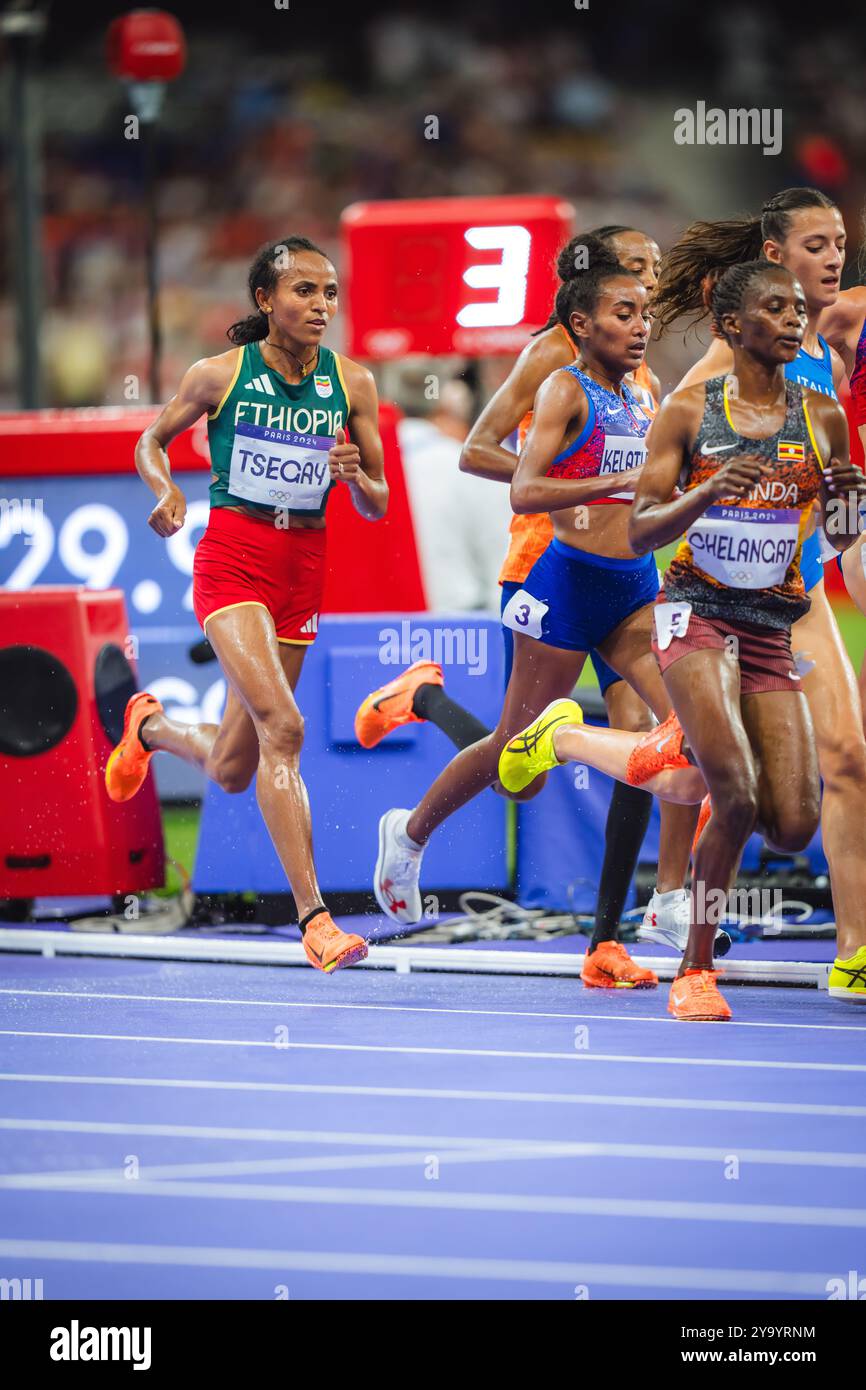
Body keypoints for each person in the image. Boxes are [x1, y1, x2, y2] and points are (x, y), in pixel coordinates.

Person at [499, 261, 865, 1017]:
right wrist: (706, 492)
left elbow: (839, 533)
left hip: (770, 623)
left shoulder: (822, 416)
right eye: (775, 307)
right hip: (694, 614)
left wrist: (849, 502)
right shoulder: (690, 411)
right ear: (733, 326)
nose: (795, 319)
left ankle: (566, 734)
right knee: (728, 786)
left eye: (798, 308)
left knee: (792, 824)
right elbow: (640, 528)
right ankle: (695, 970)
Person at [358, 227, 708, 971]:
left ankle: (632, 922)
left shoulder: (640, 379)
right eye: (636, 277)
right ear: (591, 297)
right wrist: (584, 483)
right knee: (522, 771)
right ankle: (413, 811)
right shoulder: (555, 361)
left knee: (668, 737)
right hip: (545, 562)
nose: (650, 293)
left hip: (631, 581)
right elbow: (480, 452)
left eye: (653, 278)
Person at [105, 236, 388, 974]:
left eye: (329, 293)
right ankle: (316, 920)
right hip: (233, 561)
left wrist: (357, 477)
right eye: (303, 292)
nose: (321, 305)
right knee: (283, 728)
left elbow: (378, 503)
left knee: (234, 767)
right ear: (265, 301)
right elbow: (151, 439)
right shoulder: (218, 374)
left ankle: (152, 727)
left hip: (305, 568)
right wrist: (165, 489)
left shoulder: (354, 383)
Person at [652, 189, 866, 998]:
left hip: (793, 596)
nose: (834, 257)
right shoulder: (719, 369)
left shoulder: (830, 360)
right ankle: (562, 741)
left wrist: (847, 499)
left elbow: (837, 517)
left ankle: (854, 954)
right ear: (775, 256)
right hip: (706, 599)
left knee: (842, 766)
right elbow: (669, 473)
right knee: (714, 781)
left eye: (840, 241)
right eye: (815, 244)